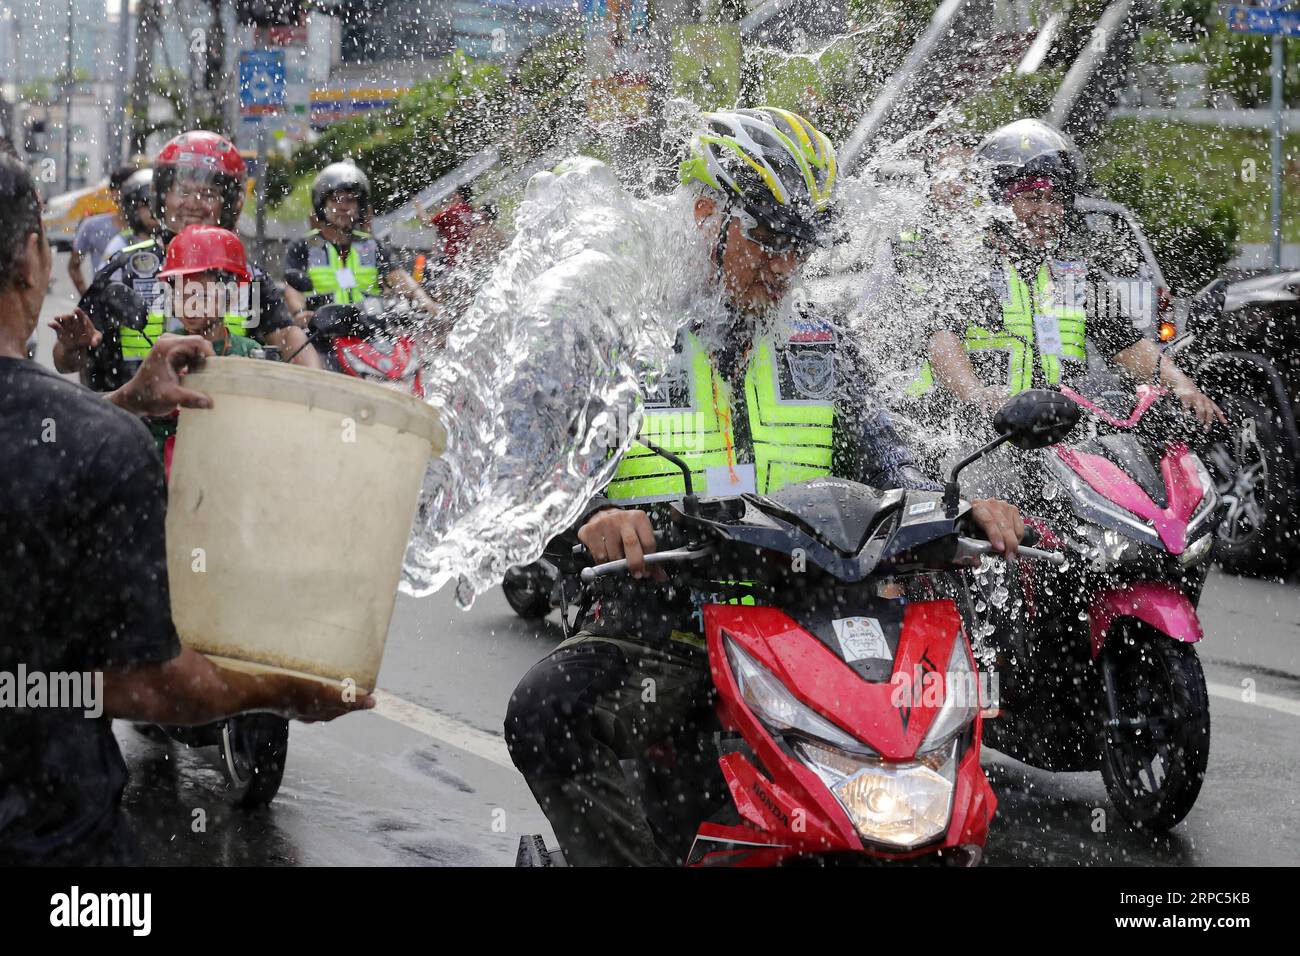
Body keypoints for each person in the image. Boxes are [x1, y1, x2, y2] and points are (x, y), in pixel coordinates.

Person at [502, 108, 1026, 866]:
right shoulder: (623, 333)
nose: (783, 269)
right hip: (664, 617)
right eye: (768, 241)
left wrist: (954, 505)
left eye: (800, 246)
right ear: (707, 216)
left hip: (812, 616)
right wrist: (596, 515)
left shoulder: (818, 339)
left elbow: (888, 456)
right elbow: (542, 466)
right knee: (545, 711)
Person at [0, 153, 372, 866]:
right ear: (32, 257)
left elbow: (302, 363)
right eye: (190, 288)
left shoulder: (254, 288)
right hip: (59, 847)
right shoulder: (103, 423)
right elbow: (148, 684)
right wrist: (292, 687)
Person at [907, 119, 1224, 431]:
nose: (1046, 212)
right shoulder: (967, 269)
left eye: (1055, 200)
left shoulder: (1076, 277)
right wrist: (976, 395)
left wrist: (1184, 387)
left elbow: (1129, 347)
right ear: (997, 202)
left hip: (1054, 440)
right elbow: (942, 342)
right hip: (971, 441)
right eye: (1031, 198)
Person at [51, 130, 321, 393]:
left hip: (221, 420)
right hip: (136, 421)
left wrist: (320, 391)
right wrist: (75, 346)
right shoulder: (123, 270)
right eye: (182, 190)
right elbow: (64, 362)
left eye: (209, 194)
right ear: (161, 196)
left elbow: (292, 343)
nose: (193, 203)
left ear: (230, 204)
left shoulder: (246, 276)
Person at [283, 162, 440, 330]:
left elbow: (397, 276)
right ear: (322, 205)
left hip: (370, 331)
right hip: (323, 333)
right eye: (336, 200)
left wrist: (422, 298)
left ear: (360, 207)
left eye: (350, 200)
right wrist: (299, 313)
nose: (343, 207)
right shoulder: (303, 246)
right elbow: (292, 288)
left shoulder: (372, 245)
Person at [68, 164, 137, 296]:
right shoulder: (92, 226)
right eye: (127, 189)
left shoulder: (153, 228)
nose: (133, 196)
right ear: (114, 193)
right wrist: (89, 299)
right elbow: (73, 266)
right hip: (106, 307)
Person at [100, 168, 157, 267]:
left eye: (158, 203)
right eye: (146, 204)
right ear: (133, 208)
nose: (153, 210)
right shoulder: (121, 244)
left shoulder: (175, 243)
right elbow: (105, 279)